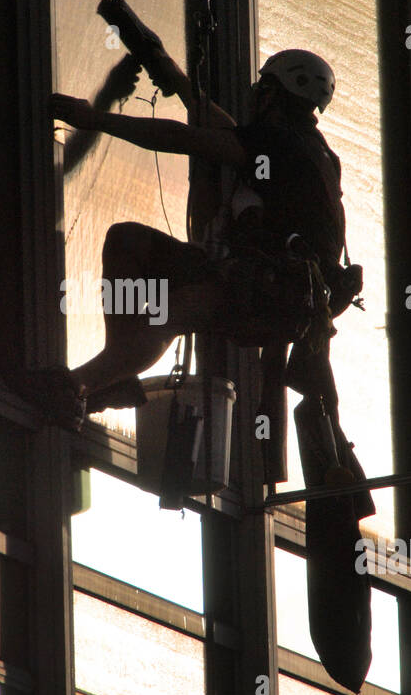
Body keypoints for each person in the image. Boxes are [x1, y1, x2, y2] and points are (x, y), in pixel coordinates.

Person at [38, 41, 360, 427]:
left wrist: (96, 120)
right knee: (127, 241)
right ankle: (117, 372)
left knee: (168, 314)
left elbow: (185, 138)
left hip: (270, 291)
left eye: (263, 88)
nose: (255, 95)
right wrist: (169, 71)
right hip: (277, 286)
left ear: (276, 95)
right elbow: (223, 127)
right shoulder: (309, 147)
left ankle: (75, 387)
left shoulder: (280, 142)